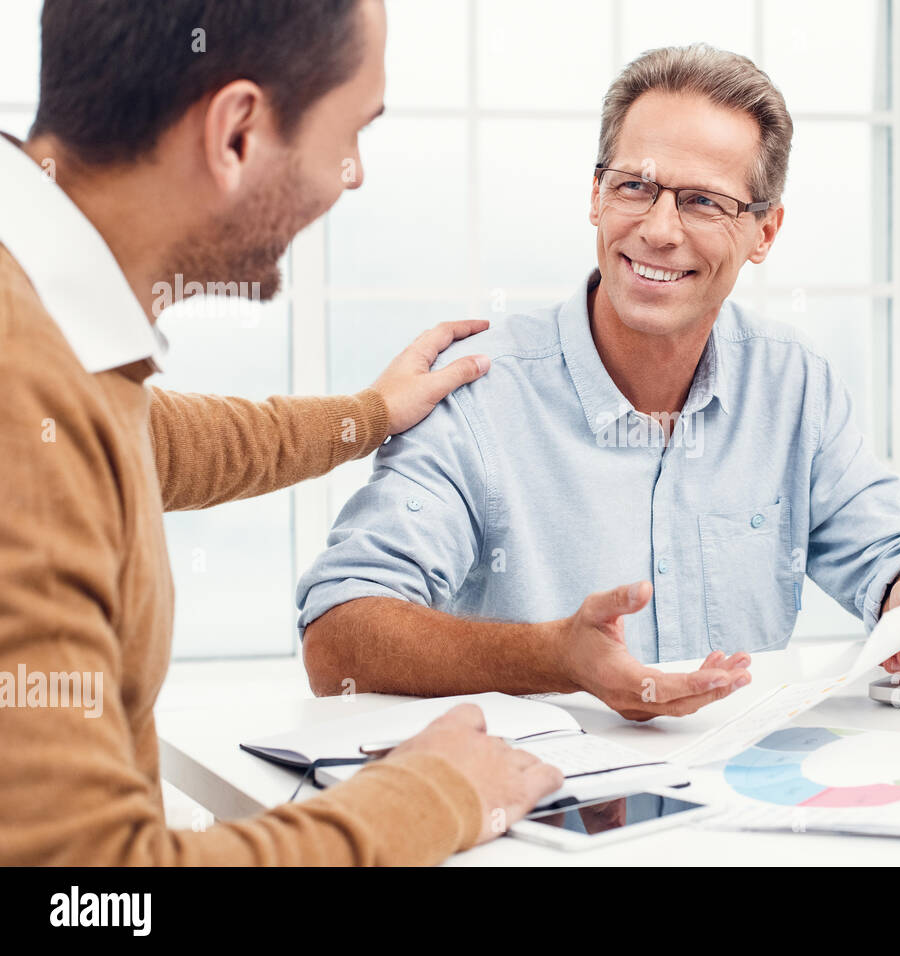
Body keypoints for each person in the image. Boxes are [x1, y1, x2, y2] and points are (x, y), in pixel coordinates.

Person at [0, 0, 561, 866]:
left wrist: (366, 417)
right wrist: (438, 793)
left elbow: (147, 444)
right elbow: (87, 889)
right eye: (350, 135)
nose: (355, 176)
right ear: (237, 134)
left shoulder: (40, 321)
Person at [298, 45, 900, 720]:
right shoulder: (477, 391)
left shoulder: (791, 381)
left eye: (703, 202)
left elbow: (894, 548)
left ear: (764, 233)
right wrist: (552, 657)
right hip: (537, 805)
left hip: (745, 803)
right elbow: (338, 638)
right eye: (635, 186)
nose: (659, 230)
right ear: (596, 197)